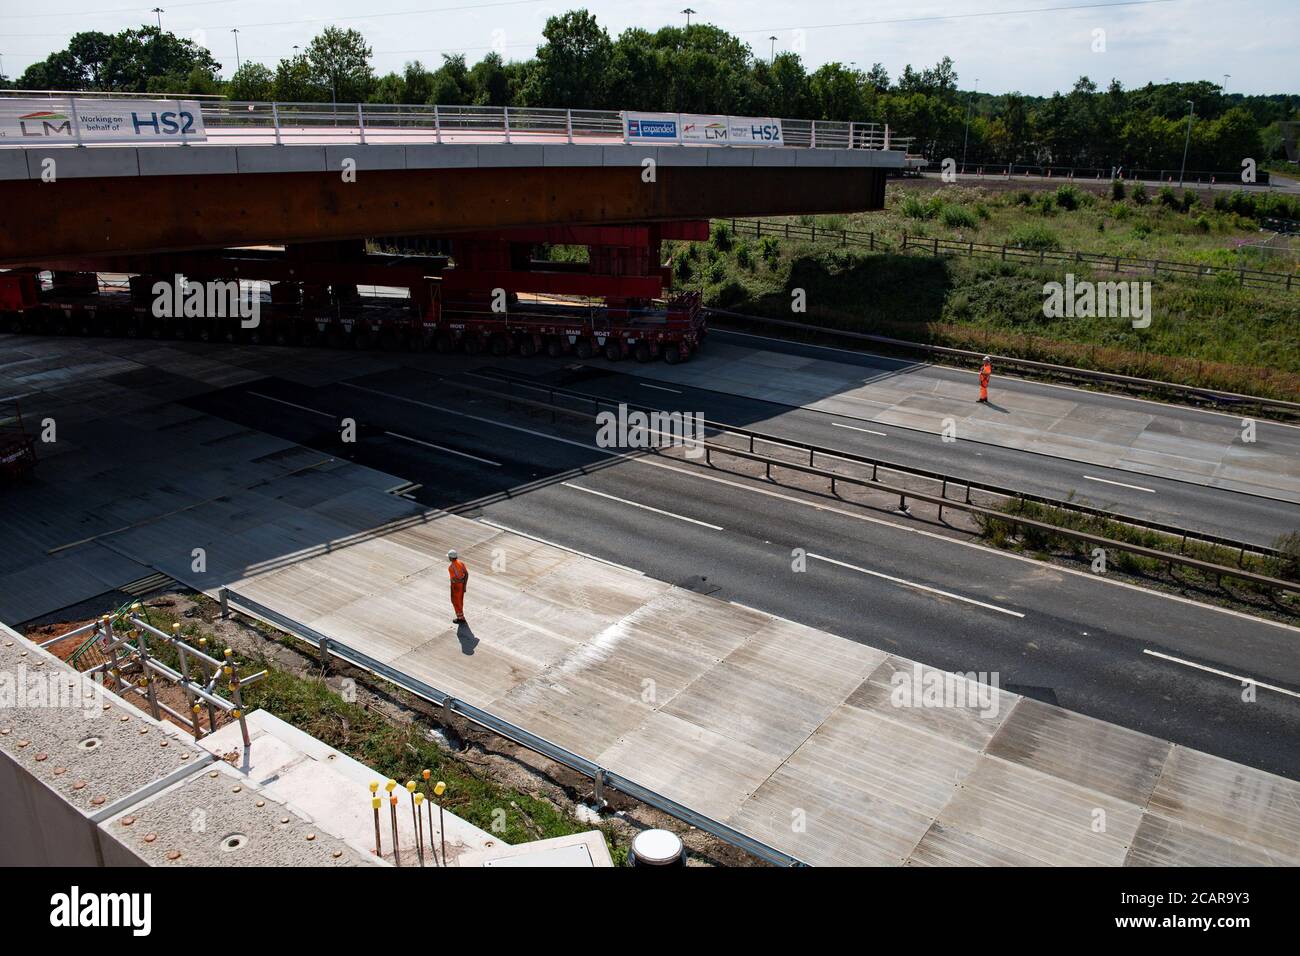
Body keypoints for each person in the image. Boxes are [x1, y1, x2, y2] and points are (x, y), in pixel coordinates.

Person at [447, 549, 468, 624]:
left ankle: (460, 618)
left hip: (456, 587)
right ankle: (461, 616)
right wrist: (464, 585)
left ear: (451, 558)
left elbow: (454, 580)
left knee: (455, 602)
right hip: (461, 586)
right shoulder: (461, 563)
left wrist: (457, 583)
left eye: (449, 557)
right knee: (460, 601)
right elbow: (466, 574)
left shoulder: (451, 567)